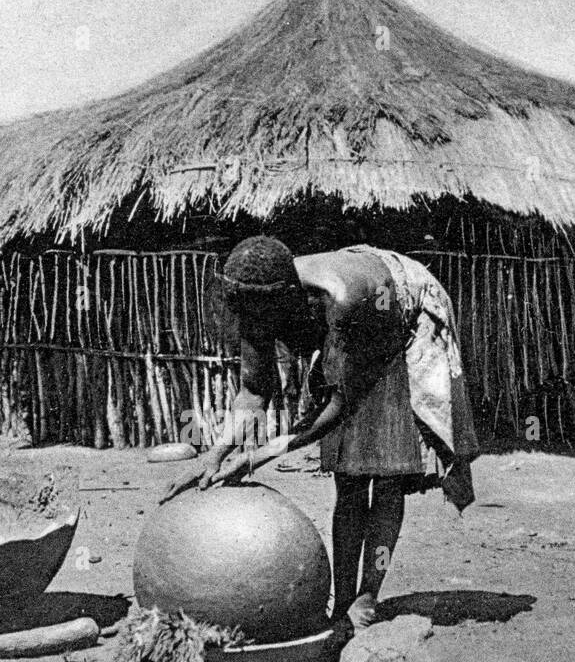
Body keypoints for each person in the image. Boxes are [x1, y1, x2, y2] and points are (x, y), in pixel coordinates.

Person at [162, 236, 478, 631]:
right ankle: (343, 595)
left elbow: (340, 404)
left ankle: (368, 593)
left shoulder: (342, 301)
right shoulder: (255, 301)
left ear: (287, 298)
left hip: (392, 310)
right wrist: (217, 452)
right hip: (359, 321)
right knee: (348, 481)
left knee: (387, 476)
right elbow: (255, 390)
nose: (256, 322)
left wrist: (257, 457)